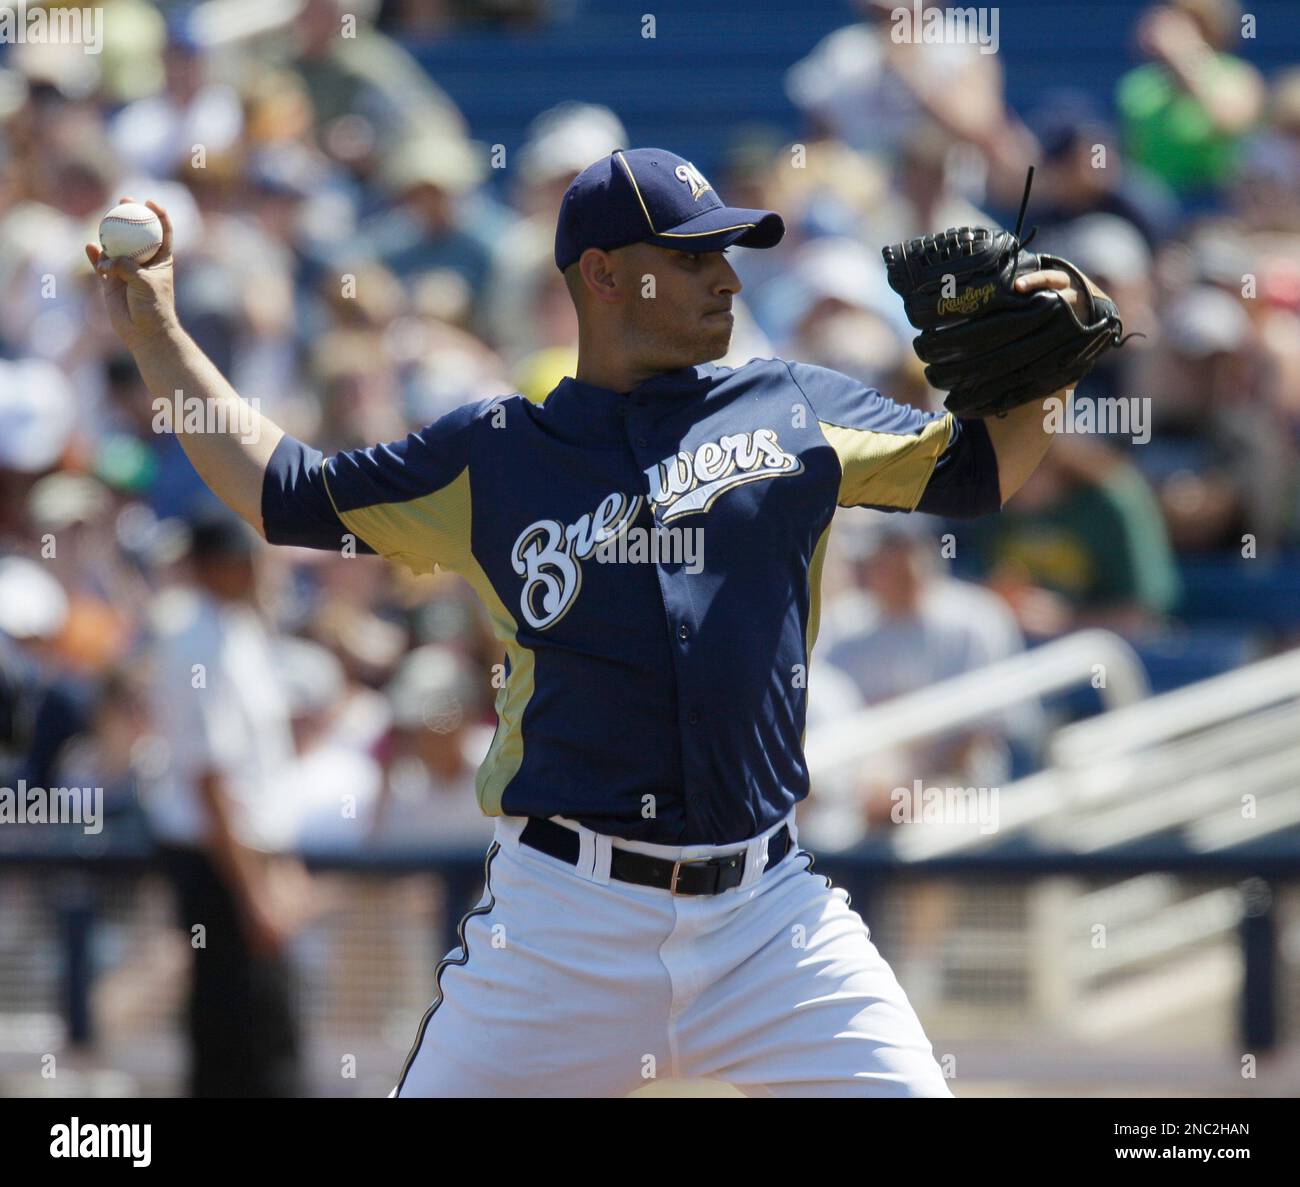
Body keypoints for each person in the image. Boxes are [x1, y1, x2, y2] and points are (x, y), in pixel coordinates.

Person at [89, 147, 1094, 1098]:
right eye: (692, 255)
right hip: (562, 924)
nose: (726, 280)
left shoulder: (792, 407)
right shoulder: (492, 454)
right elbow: (281, 490)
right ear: (604, 274)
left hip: (767, 917)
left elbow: (975, 472)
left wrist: (1055, 359)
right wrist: (155, 329)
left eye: (727, 254)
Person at [141, 510, 309, 1097]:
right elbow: (209, 779)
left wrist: (275, 869)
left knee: (263, 1025)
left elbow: (255, 775)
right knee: (235, 1030)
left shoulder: (237, 629)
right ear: (214, 567)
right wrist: (255, 891)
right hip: (217, 863)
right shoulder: (195, 637)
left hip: (244, 855)